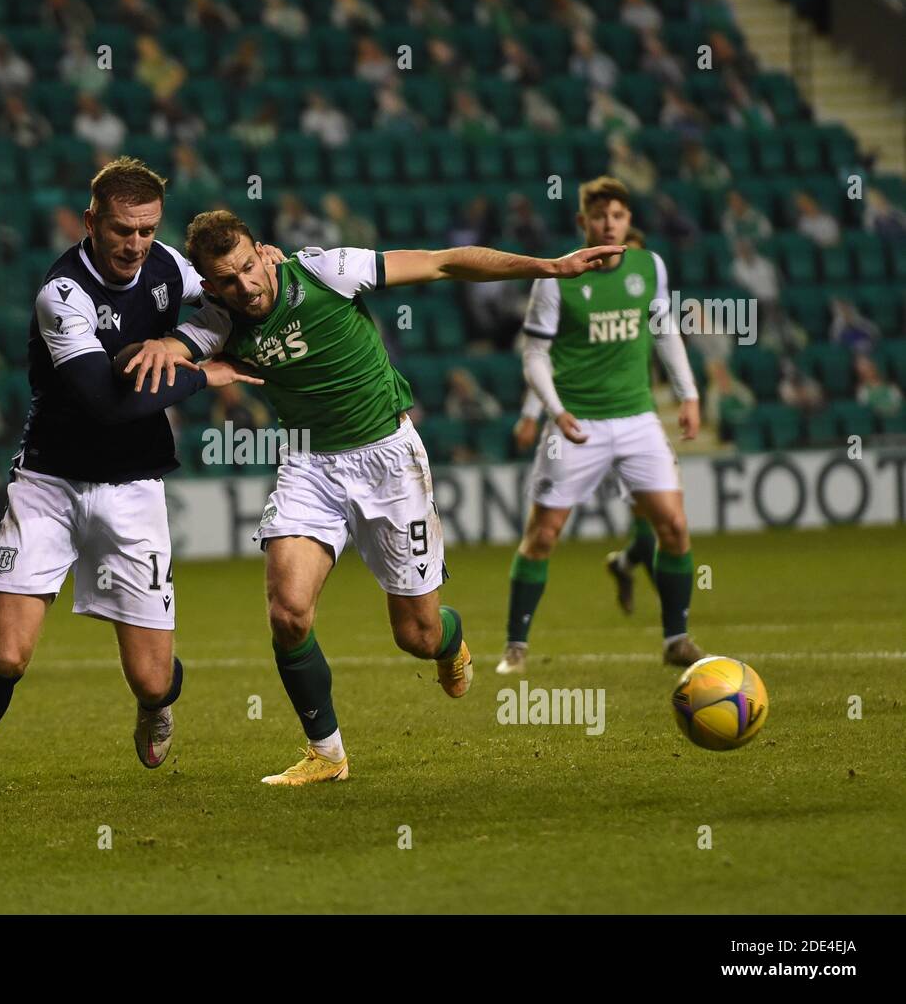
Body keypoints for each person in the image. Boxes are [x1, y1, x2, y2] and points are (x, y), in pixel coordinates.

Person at [124, 210, 620, 785]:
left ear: (264, 253)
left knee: (417, 635)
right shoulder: (219, 318)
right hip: (309, 464)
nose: (246, 288)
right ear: (208, 286)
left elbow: (443, 262)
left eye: (248, 269)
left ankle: (449, 644)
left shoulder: (328, 271)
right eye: (227, 282)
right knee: (288, 612)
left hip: (388, 459)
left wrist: (549, 266)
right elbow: (176, 349)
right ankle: (327, 754)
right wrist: (159, 347)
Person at [0, 159, 267, 803]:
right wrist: (201, 375)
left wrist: (181, 344)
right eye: (120, 231)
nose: (135, 245)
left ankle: (157, 703)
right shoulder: (64, 294)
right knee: (8, 655)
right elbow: (109, 403)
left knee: (153, 680)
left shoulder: (167, 266)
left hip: (133, 488)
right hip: (48, 482)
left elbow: (225, 303)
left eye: (146, 230)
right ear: (91, 223)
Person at [496, 176, 704, 676]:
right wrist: (551, 409)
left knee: (673, 527)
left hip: (637, 419)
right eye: (600, 216)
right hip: (577, 424)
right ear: (583, 223)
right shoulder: (555, 278)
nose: (609, 223)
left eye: (618, 215)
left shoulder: (648, 266)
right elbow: (536, 356)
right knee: (543, 535)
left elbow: (665, 332)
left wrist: (688, 394)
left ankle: (677, 638)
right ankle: (515, 647)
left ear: (628, 222)